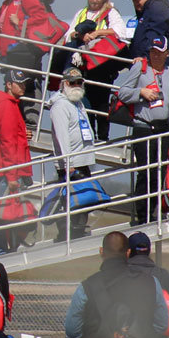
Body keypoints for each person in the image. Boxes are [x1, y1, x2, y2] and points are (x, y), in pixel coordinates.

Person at [114, 42, 169, 226]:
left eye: (159, 52)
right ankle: (142, 216)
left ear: (167, 53)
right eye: (152, 52)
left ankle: (153, 212)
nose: (155, 56)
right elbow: (122, 92)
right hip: (144, 127)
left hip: (163, 129)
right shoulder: (140, 68)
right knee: (145, 173)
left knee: (159, 173)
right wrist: (141, 92)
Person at [60, 0, 130, 136]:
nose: (95, 1)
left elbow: (120, 32)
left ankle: (103, 138)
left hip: (101, 66)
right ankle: (89, 135)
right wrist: (81, 35)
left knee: (102, 103)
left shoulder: (110, 13)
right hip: (82, 64)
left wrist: (97, 33)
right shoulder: (81, 13)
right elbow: (68, 34)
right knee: (85, 103)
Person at [45, 67, 97, 239]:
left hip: (83, 161)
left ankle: (78, 231)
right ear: (64, 84)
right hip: (72, 165)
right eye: (72, 82)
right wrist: (69, 164)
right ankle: (68, 235)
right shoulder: (60, 106)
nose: (76, 86)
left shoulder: (78, 103)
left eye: (79, 82)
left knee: (84, 202)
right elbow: (62, 137)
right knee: (72, 203)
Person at [0, 72, 32, 237]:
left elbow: (9, 137)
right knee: (4, 218)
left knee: (5, 216)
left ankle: (0, 246)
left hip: (4, 171)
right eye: (19, 83)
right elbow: (8, 144)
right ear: (9, 85)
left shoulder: (9, 105)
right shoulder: (7, 107)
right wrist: (11, 176)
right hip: (7, 173)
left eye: (24, 83)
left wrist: (23, 134)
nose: (23, 86)